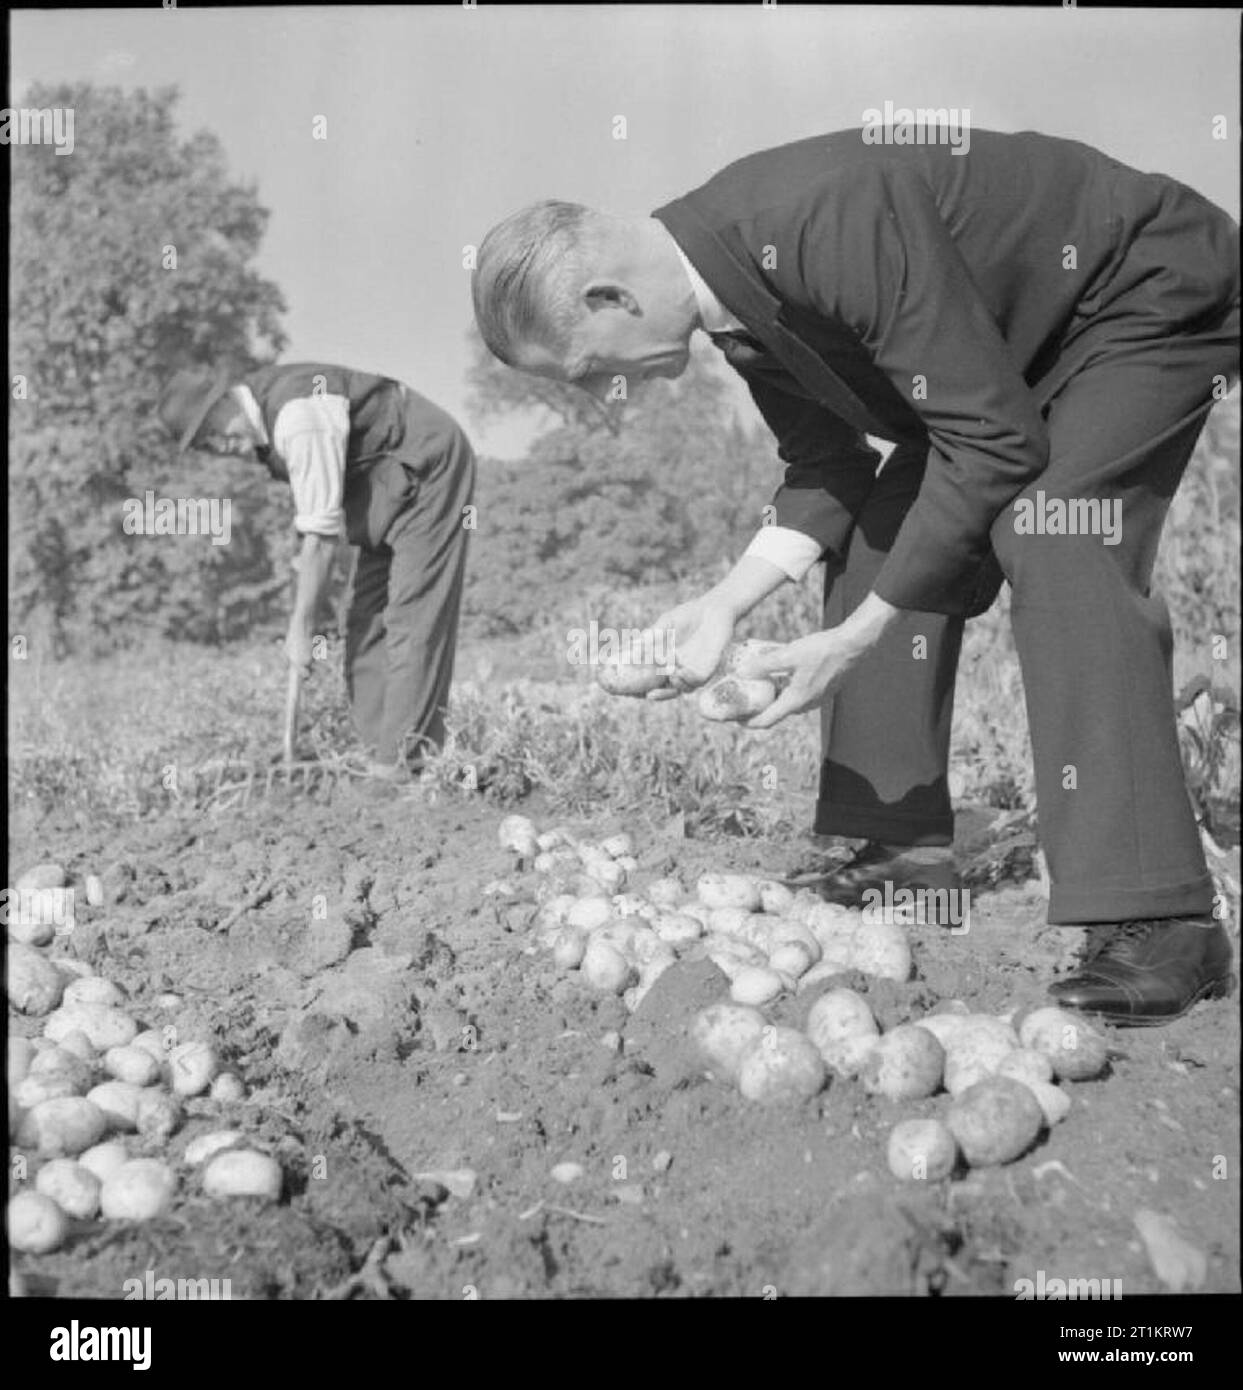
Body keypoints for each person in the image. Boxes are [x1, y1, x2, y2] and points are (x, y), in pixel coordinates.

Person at [471, 126, 1239, 1024]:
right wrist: (721, 606)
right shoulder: (736, 308)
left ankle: (1162, 918)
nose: (604, 387)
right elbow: (827, 471)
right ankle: (899, 852)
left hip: (1134, 295)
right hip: (1005, 364)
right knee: (884, 526)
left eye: (585, 366)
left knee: (1055, 529)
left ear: (609, 295)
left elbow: (994, 443)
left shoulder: (818, 219)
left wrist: (855, 634)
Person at [158, 362, 476, 778]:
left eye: (211, 429)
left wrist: (301, 630)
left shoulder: (297, 417)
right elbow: (315, 523)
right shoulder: (265, 431)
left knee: (412, 617)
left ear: (225, 399)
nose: (217, 445)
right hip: (379, 488)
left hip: (426, 463)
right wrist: (304, 564)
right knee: (365, 621)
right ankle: (375, 757)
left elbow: (323, 541)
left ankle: (406, 766)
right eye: (203, 445)